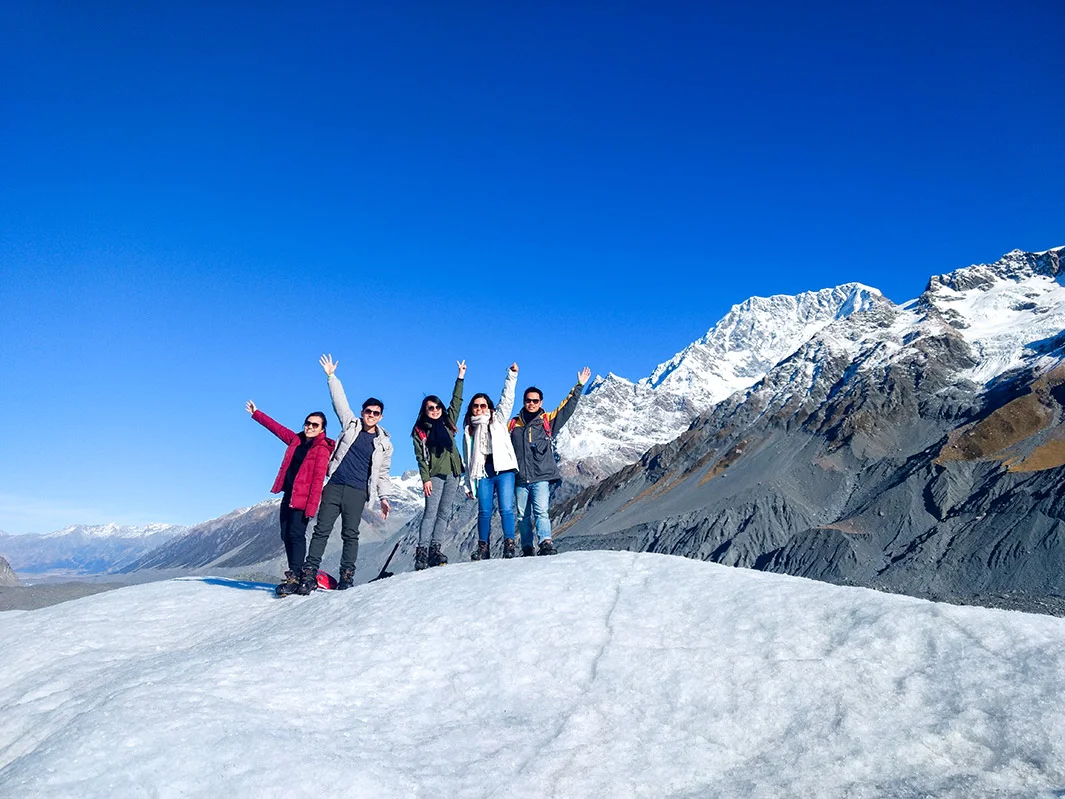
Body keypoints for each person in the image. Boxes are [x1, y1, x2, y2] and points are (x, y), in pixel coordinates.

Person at [296, 353, 393, 594]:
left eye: (376, 413)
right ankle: (309, 573)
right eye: (368, 411)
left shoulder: (385, 443)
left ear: (381, 416)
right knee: (321, 530)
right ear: (362, 412)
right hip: (335, 485)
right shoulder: (350, 424)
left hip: (358, 492)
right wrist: (331, 376)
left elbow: (382, 473)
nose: (371, 415)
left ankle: (347, 577)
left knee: (351, 535)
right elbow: (339, 401)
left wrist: (384, 497)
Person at [245, 401, 335, 594]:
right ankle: (296, 575)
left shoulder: (322, 449)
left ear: (322, 429)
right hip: (288, 494)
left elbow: (318, 481)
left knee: (296, 535)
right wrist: (256, 413)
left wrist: (311, 508)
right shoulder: (296, 440)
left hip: (303, 499)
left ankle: (296, 576)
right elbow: (277, 429)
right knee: (285, 534)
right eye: (307, 423)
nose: (310, 427)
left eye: (315, 425)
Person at [509, 367, 592, 556]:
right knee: (522, 516)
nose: (531, 403)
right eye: (528, 400)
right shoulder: (513, 425)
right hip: (520, 478)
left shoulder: (547, 421)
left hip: (541, 476)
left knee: (541, 512)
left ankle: (546, 542)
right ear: (524, 402)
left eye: (535, 401)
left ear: (541, 402)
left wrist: (579, 386)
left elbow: (566, 408)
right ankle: (527, 547)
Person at [411, 360, 466, 570]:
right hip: (434, 476)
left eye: (437, 407)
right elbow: (420, 457)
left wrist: (460, 377)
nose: (434, 410)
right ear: (425, 411)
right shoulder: (420, 431)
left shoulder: (448, 422)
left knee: (444, 513)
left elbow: (457, 402)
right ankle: (422, 551)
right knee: (430, 513)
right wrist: (425, 479)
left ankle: (435, 549)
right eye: (430, 408)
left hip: (453, 473)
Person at [462, 363, 519, 560]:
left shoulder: (499, 419)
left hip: (504, 470)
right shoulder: (469, 429)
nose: (479, 409)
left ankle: (509, 545)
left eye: (483, 405)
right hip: (483, 472)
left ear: (489, 407)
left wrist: (511, 376)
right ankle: (483, 548)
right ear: (472, 409)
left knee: (506, 509)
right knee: (484, 511)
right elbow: (467, 458)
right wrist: (467, 483)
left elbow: (507, 398)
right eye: (476, 406)